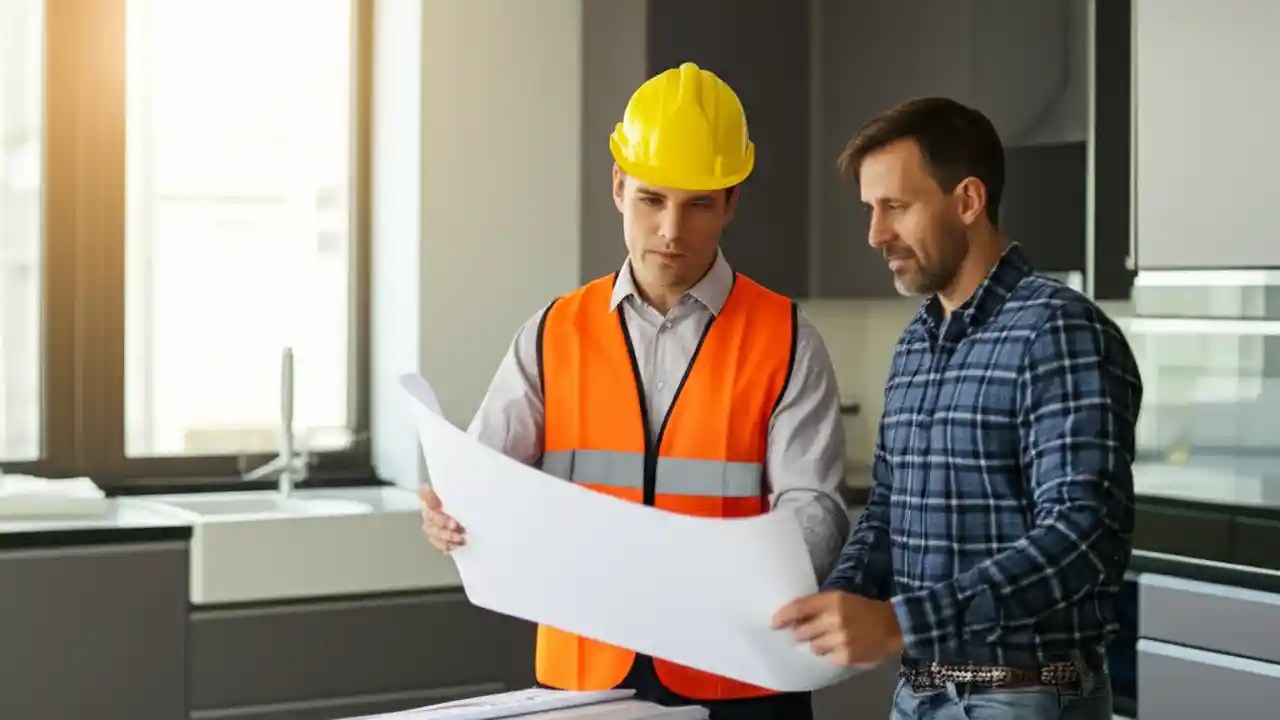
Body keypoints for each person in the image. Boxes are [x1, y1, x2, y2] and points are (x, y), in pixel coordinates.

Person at [419, 61, 850, 720]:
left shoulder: (788, 339)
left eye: (698, 203)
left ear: (731, 201)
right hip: (588, 678)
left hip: (739, 674)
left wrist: (722, 588)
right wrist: (452, 513)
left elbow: (816, 517)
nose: (671, 230)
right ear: (619, 186)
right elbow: (485, 482)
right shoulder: (551, 333)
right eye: (652, 199)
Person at [772, 97, 1143, 720]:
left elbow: (1082, 537)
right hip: (919, 694)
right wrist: (836, 601)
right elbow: (889, 512)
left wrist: (899, 621)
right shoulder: (917, 341)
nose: (875, 234)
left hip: (1025, 695)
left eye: (896, 206)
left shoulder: (1059, 331)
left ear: (968, 201)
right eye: (870, 209)